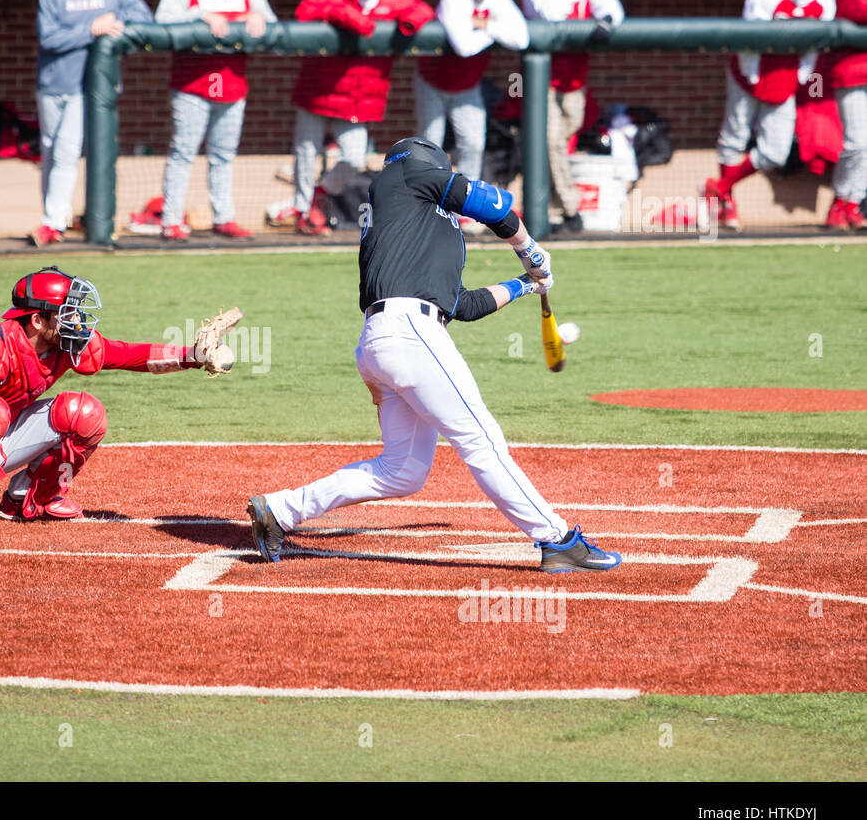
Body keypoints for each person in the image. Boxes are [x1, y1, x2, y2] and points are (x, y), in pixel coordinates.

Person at [247, 137, 621, 575]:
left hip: (386, 340)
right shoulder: (402, 174)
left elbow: (461, 305)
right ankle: (557, 541)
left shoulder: (415, 222)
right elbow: (494, 205)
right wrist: (527, 245)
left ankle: (280, 510)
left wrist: (525, 284)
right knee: (481, 441)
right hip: (408, 334)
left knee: (401, 471)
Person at [0, 266, 226, 537]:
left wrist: (192, 355)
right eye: (68, 313)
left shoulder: (63, 346)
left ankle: (28, 500)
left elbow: (127, 354)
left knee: (84, 413)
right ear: (37, 319)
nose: (77, 320)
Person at [288, 0, 434, 236]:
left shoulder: (389, 0)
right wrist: (338, 14)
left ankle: (322, 191)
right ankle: (303, 211)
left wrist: (407, 24)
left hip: (357, 95)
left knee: (354, 157)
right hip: (318, 88)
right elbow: (303, 11)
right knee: (305, 152)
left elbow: (422, 9)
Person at [152, 0, 277, 241]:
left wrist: (255, 15)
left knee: (223, 155)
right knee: (183, 152)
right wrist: (200, 14)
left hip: (233, 82)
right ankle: (170, 220)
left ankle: (224, 217)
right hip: (192, 81)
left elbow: (271, 21)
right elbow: (161, 22)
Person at [701, 0, 835, 233]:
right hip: (750, 71)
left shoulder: (825, 0)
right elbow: (749, 42)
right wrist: (751, 78)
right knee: (734, 136)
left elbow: (816, 46)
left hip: (784, 76)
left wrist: (802, 76)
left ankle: (719, 187)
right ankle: (726, 203)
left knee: (776, 152)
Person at [31, 0, 153, 248]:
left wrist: (116, 19)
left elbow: (145, 19)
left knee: (66, 152)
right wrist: (89, 29)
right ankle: (55, 217)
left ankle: (52, 222)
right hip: (52, 82)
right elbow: (49, 39)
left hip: (88, 86)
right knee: (49, 153)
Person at [522, 0, 624, 235]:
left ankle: (555, 199)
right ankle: (570, 208)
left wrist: (607, 19)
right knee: (552, 143)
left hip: (575, 78)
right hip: (544, 79)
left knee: (558, 140)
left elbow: (613, 8)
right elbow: (552, 14)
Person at [415, 0, 528, 191]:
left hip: (467, 83)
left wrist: (485, 25)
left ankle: (465, 201)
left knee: (474, 143)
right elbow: (464, 47)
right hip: (433, 79)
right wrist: (496, 30)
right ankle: (424, 199)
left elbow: (521, 38)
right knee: (430, 143)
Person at [827, 0, 866, 230]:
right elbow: (857, 8)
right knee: (857, 142)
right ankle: (840, 201)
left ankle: (853, 204)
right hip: (852, 70)